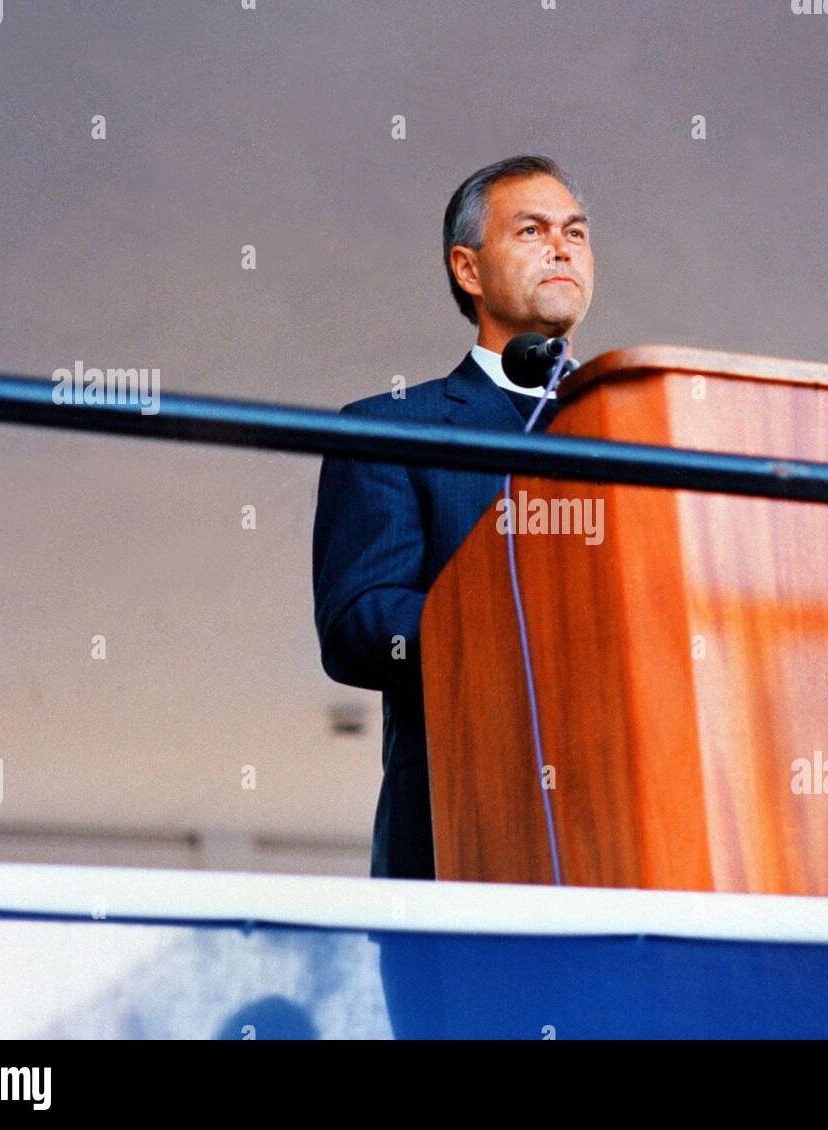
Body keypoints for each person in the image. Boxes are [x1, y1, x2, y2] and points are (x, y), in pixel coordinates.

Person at [312, 154, 595, 879]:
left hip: (628, 835)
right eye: (531, 230)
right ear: (468, 270)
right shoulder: (392, 428)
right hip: (456, 833)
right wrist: (522, 624)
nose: (562, 247)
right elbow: (361, 624)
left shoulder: (644, 432)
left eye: (576, 232)